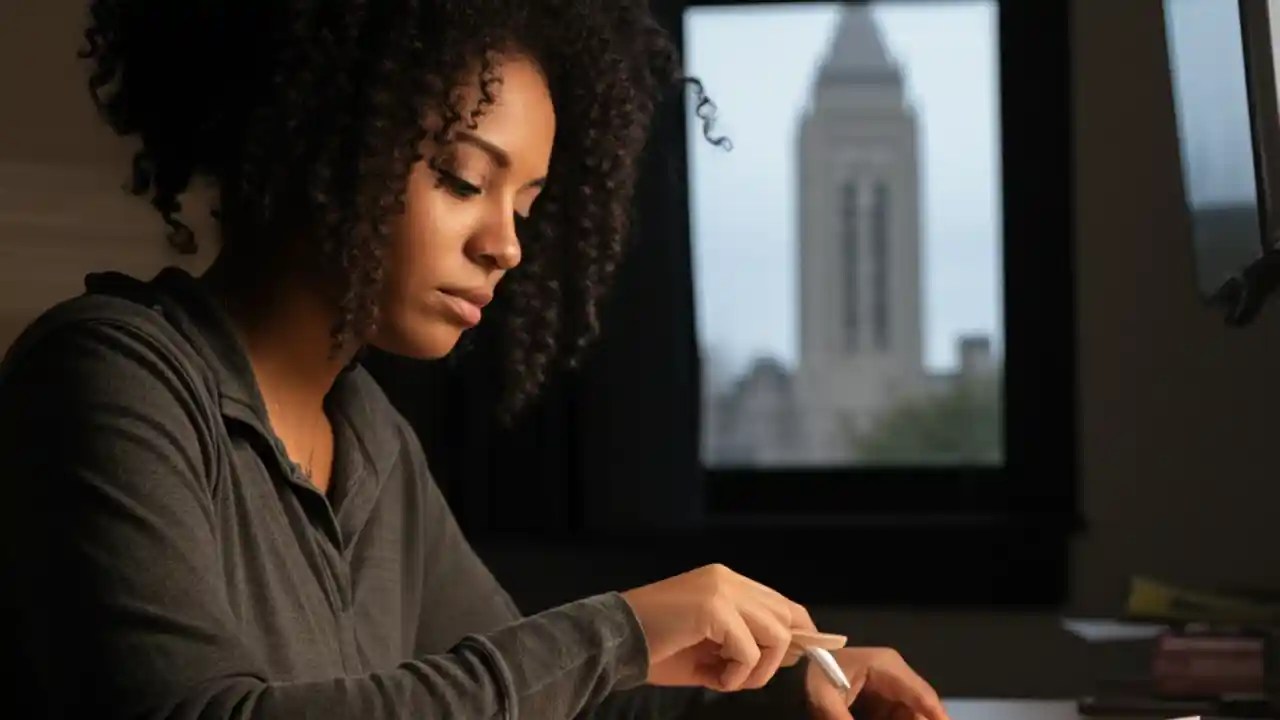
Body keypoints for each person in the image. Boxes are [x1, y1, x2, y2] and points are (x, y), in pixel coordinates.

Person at [0, 1, 950, 718]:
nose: (508, 245)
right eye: (463, 180)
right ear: (317, 145)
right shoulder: (109, 378)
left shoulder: (369, 440)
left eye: (526, 205)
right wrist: (620, 630)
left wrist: (804, 695)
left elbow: (539, 697)